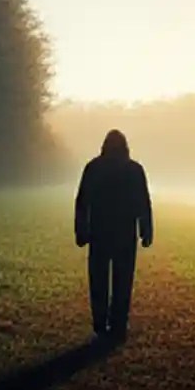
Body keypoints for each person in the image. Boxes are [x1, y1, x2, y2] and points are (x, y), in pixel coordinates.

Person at [74, 129, 153, 341]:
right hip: (125, 233)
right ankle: (119, 323)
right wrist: (146, 229)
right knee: (123, 280)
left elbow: (82, 202)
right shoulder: (134, 170)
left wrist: (81, 231)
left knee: (98, 279)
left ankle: (100, 322)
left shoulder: (93, 168)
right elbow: (143, 202)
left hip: (99, 232)